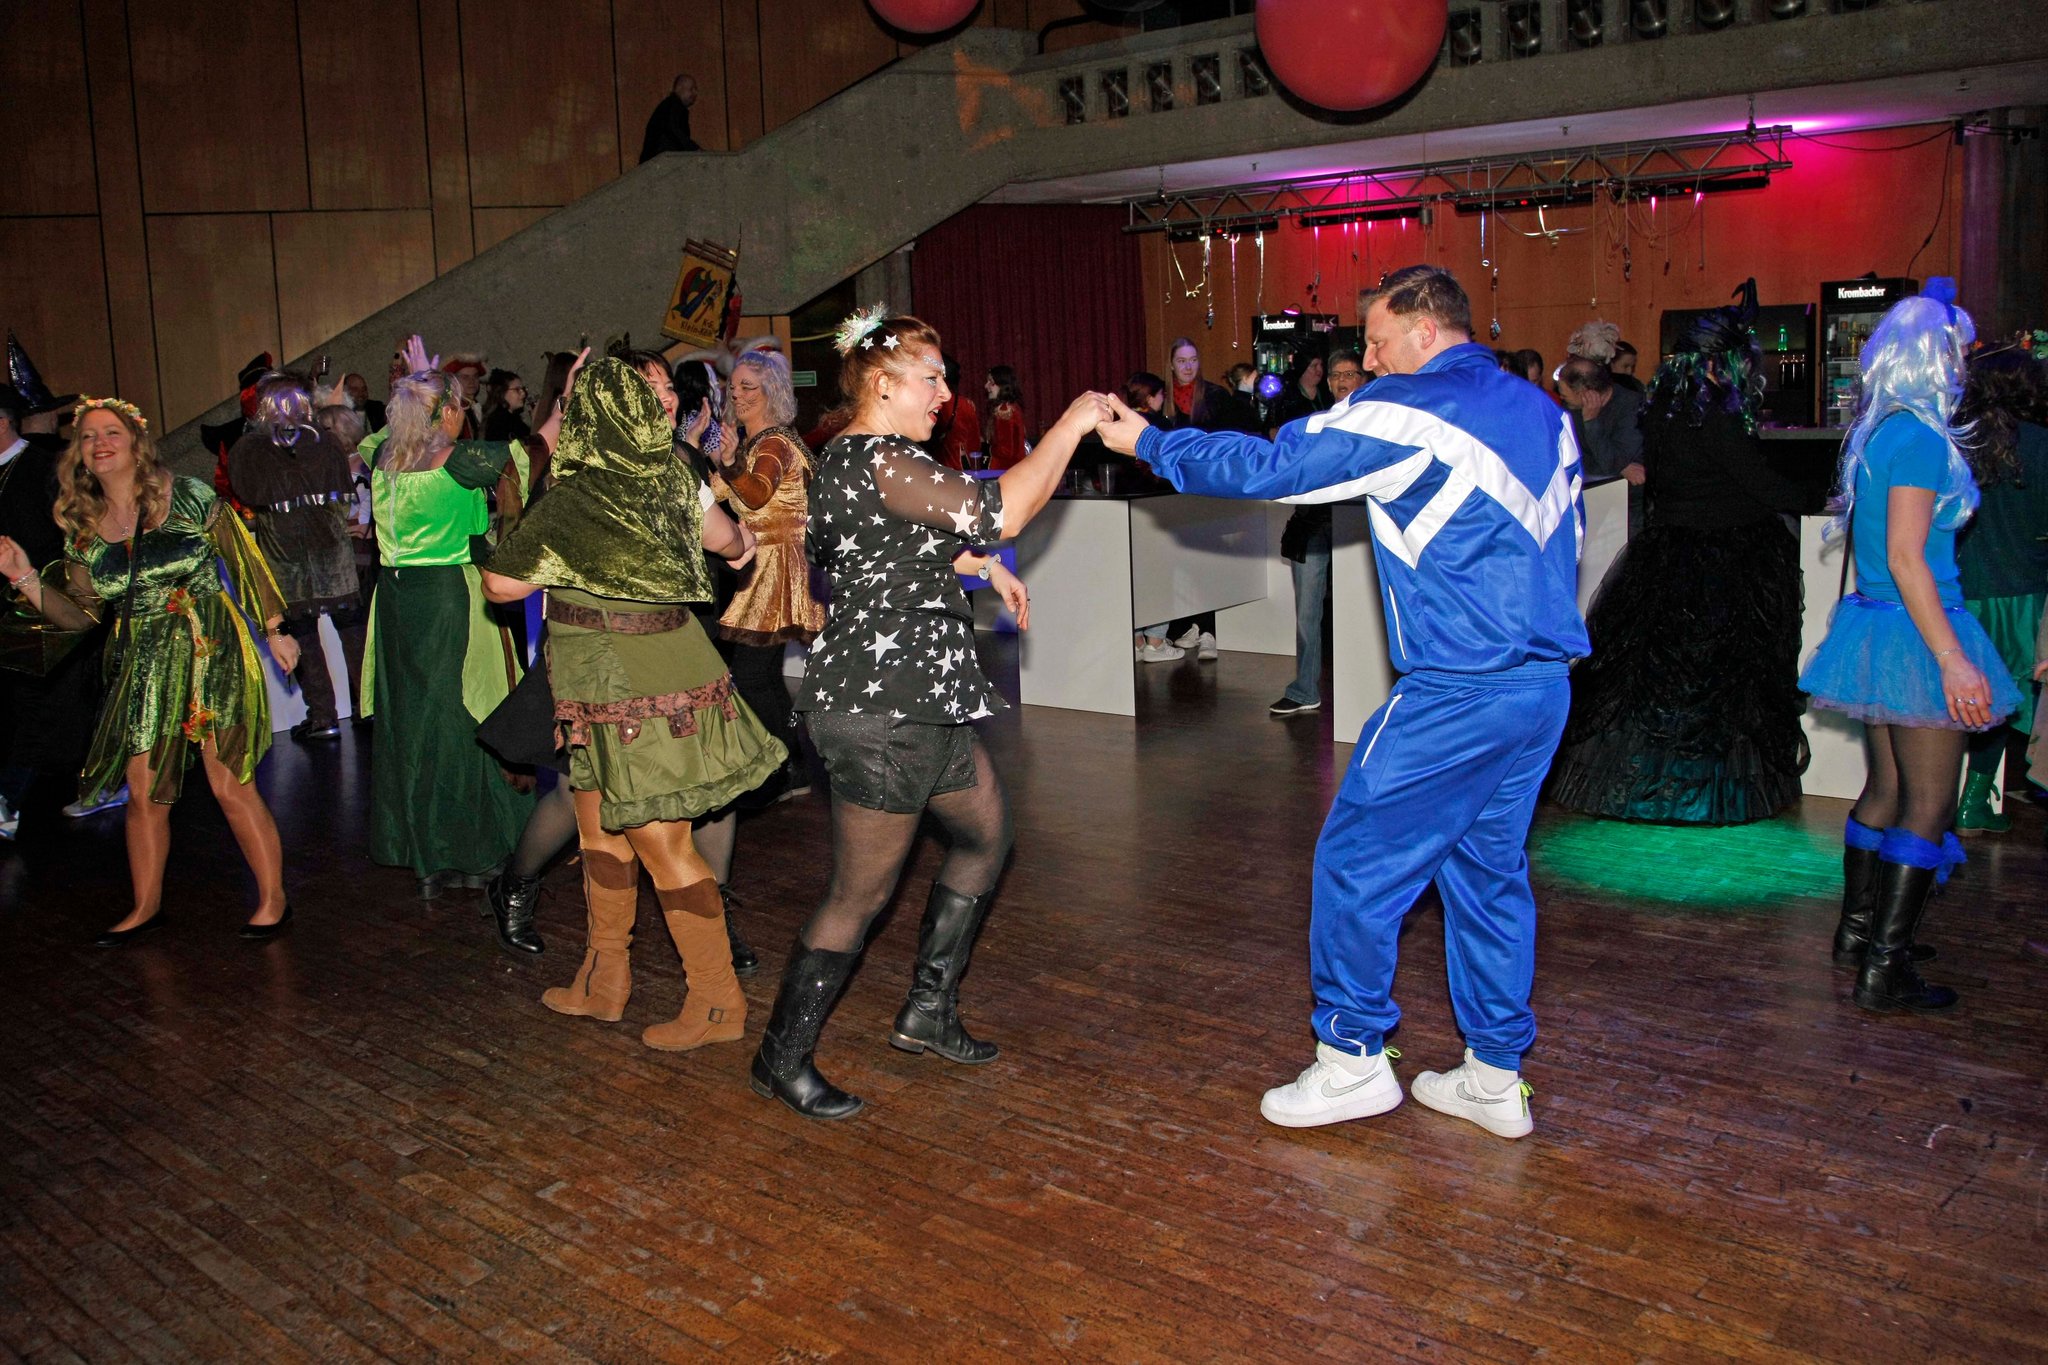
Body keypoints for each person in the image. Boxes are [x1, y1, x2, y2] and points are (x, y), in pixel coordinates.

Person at [1097, 265, 1589, 1140]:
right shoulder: (1541, 410)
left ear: (1427, 333)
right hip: (1541, 689)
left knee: (1355, 862)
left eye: (1378, 336)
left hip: (1459, 688)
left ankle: (1353, 1057)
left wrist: (1150, 443)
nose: (1367, 355)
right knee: (1487, 874)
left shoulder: (1408, 409)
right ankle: (1494, 1075)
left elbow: (1275, 465)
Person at [750, 305, 1105, 1121]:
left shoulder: (869, 461)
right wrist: (1072, 425)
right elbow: (1001, 509)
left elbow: (893, 542)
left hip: (926, 699)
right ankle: (781, 1056)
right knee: (859, 894)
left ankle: (927, 1009)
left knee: (986, 835)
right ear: (883, 384)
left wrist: (980, 565)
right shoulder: (873, 454)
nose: (945, 393)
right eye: (932, 377)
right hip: (883, 707)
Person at [483, 357, 783, 1052]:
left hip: (634, 687)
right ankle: (603, 978)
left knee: (663, 843)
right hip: (599, 686)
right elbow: (734, 545)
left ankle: (716, 1002)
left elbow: (499, 585)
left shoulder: (574, 498)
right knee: (597, 831)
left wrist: (555, 553)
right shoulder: (671, 479)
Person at [0, 398, 298, 944]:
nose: (99, 443)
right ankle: (145, 906)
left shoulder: (187, 494)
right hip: (145, 658)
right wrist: (25, 579)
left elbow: (244, 556)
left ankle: (273, 898)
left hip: (210, 641)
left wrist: (275, 628)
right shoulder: (83, 529)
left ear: (136, 441)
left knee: (228, 780)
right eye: (88, 437)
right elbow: (79, 616)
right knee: (143, 790)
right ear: (79, 456)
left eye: (110, 432)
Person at [1799, 285, 2021, 1012]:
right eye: (1956, 351)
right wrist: (1954, 657)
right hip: (1918, 629)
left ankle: (1859, 935)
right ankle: (1883, 967)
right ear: (1934, 359)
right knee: (1929, 802)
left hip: (1880, 627)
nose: (1964, 364)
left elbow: (1877, 556)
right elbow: (1905, 555)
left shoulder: (1880, 432)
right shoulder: (1920, 439)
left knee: (1888, 790)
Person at [1547, 283, 1811, 824]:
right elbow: (1754, 481)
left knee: (1661, 678)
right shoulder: (1715, 414)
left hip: (1669, 551)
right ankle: (1703, 792)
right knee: (1716, 680)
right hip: (1723, 556)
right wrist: (1813, 499)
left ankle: (1649, 784)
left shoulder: (1663, 411)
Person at [363, 339, 554, 897]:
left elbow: (382, 431)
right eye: (456, 405)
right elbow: (534, 452)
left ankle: (425, 852)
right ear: (445, 411)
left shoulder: (383, 459)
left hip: (397, 602)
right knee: (468, 712)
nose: (463, 413)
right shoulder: (457, 460)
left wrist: (423, 377)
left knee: (414, 720)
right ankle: (477, 852)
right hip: (451, 597)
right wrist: (560, 403)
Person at [708, 348, 824, 797]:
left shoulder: (774, 443)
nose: (736, 395)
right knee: (763, 674)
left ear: (771, 392)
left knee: (753, 675)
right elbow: (718, 493)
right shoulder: (754, 441)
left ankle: (784, 767)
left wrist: (730, 460)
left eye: (747, 387)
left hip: (774, 568)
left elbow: (755, 495)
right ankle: (790, 765)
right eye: (733, 387)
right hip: (756, 563)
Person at [227, 373, 366, 741]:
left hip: (290, 557)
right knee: (342, 630)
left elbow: (246, 494)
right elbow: (343, 500)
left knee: (312, 632)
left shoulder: (251, 449)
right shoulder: (325, 443)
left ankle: (325, 715)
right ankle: (362, 707)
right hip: (328, 552)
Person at [0, 384, 105, 841]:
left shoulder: (46, 470)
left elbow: (74, 543)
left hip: (46, 609)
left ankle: (9, 799)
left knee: (43, 709)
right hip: (8, 611)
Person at [1952, 347, 2048, 833]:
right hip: (2020, 591)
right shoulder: (2039, 443)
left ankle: (1946, 800)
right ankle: (1973, 800)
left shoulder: (1956, 441)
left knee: (1962, 700)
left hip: (1956, 593)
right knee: (2006, 702)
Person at [1268, 352, 1335, 717]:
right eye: (1332, 371)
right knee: (1308, 613)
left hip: (1357, 523)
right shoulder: (1296, 407)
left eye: (1349, 373)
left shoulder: (1370, 414)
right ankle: (1306, 688)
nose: (1338, 378)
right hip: (1312, 522)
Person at [1556, 356, 1645, 486]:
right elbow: (1569, 458)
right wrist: (1619, 468)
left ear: (1585, 393)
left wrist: (1591, 423)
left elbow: (1617, 461)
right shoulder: (1570, 409)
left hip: (1624, 495)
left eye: (1564, 395)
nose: (1561, 398)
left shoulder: (1631, 407)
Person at [928, 354, 981, 470]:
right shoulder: (966, 404)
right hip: (962, 461)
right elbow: (974, 439)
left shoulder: (929, 402)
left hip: (938, 462)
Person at [639, 74, 702, 161]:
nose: (695, 93)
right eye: (691, 89)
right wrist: (693, 149)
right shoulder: (674, 105)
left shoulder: (669, 105)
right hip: (659, 162)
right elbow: (673, 130)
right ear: (679, 88)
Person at [984, 366, 1030, 470]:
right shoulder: (1013, 407)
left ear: (1002, 385)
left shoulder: (1004, 410)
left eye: (991, 382)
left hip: (1004, 472)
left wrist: (988, 449)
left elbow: (1005, 451)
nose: (986, 386)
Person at [481, 369, 531, 443]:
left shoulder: (510, 418)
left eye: (523, 389)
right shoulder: (500, 421)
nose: (523, 393)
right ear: (502, 392)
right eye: (517, 389)